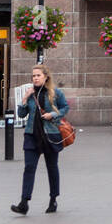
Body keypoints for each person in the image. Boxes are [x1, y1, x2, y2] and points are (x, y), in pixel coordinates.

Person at [11, 63, 68, 215]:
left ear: (45, 77)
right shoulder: (31, 94)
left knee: (52, 167)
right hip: (32, 135)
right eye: (33, 76)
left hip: (50, 135)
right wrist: (24, 98)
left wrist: (53, 115)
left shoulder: (55, 93)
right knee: (29, 168)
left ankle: (53, 199)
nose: (35, 78)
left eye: (38, 75)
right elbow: (22, 114)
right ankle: (24, 203)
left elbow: (65, 108)